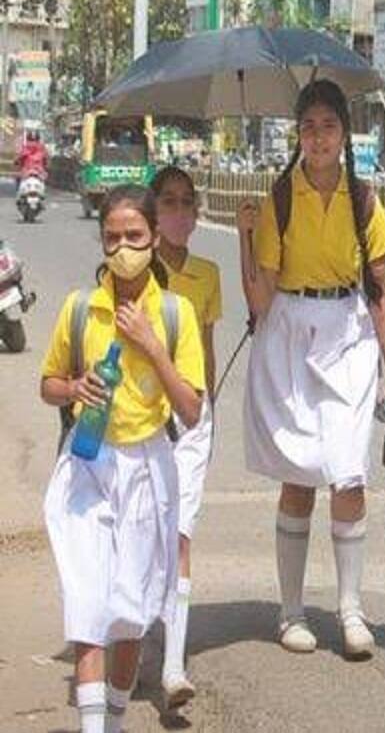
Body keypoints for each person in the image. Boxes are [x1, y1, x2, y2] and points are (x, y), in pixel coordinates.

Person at [237, 79, 385, 660]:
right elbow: (259, 301)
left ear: (344, 133)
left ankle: (352, 611)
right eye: (308, 127)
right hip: (289, 332)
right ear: (298, 134)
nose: (318, 137)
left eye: (328, 126)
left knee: (349, 473)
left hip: (349, 335)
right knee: (299, 475)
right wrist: (244, 236)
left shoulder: (366, 201)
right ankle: (290, 612)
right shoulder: (280, 197)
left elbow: (380, 288)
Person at [41, 185, 205, 733]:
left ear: (155, 238)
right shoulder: (81, 307)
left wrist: (153, 347)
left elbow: (191, 409)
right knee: (88, 605)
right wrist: (74, 388)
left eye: (134, 236)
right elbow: (48, 383)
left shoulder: (176, 313)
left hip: (148, 468)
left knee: (130, 613)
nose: (123, 248)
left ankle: (112, 717)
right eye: (112, 237)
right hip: (87, 463)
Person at [149, 167, 222, 707]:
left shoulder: (207, 274)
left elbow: (208, 345)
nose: (178, 211)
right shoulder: (133, 273)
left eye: (185, 202)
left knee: (180, 533)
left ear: (196, 214)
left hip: (193, 417)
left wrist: (207, 406)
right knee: (143, 530)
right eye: (167, 202)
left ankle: (174, 664)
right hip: (142, 419)